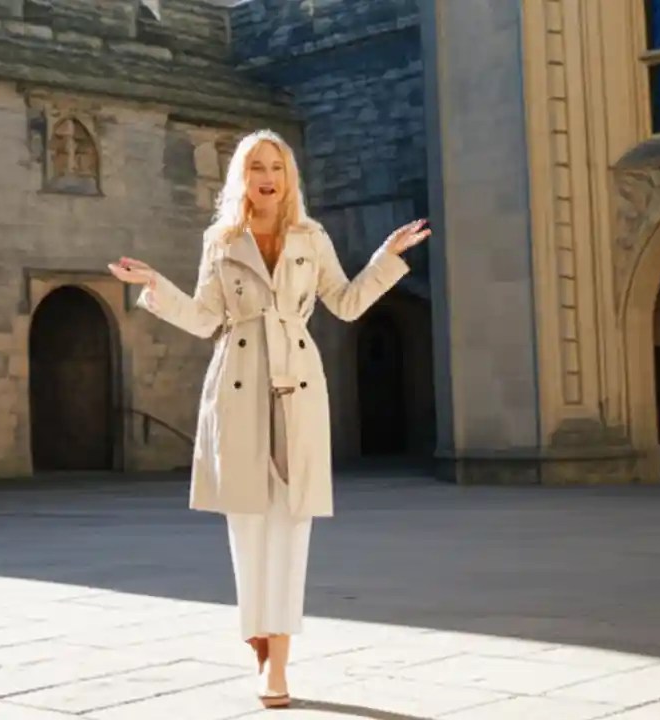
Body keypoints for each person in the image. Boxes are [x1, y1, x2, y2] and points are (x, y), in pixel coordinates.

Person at [107, 129, 430, 708]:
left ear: (289, 177)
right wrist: (155, 285)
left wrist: (386, 259)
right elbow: (205, 319)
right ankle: (259, 643)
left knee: (291, 525)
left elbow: (346, 303)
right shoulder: (221, 240)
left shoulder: (311, 236)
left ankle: (277, 660)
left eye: (277, 166)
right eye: (257, 166)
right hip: (237, 384)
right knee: (248, 528)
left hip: (297, 385)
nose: (268, 176)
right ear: (242, 177)